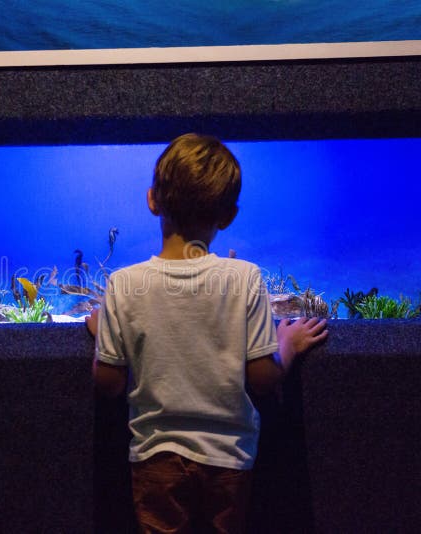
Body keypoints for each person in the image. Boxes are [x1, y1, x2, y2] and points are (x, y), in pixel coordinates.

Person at [85, 133, 328, 533]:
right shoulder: (245, 277)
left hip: (154, 459)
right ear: (228, 216)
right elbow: (263, 379)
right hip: (229, 458)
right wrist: (288, 343)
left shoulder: (123, 284)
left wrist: (103, 336)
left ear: (152, 200)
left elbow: (108, 383)